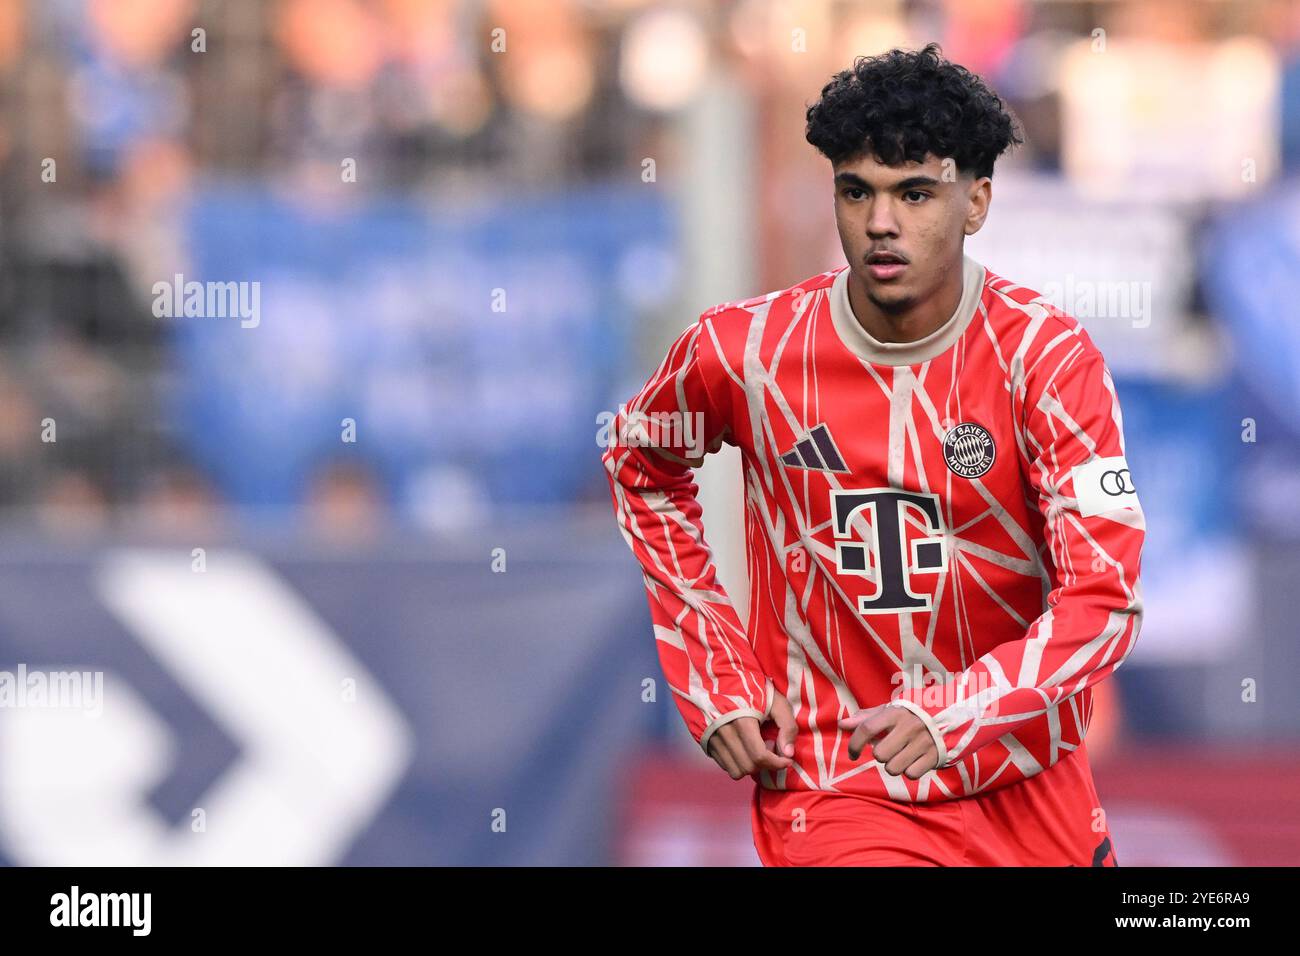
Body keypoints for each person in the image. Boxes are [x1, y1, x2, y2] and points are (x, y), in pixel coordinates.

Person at [601, 44, 1144, 866]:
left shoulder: (1047, 359)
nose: (881, 222)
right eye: (856, 192)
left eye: (914, 193)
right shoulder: (742, 353)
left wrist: (956, 711)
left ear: (977, 203)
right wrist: (715, 668)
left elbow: (1102, 599)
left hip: (1026, 788)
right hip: (839, 785)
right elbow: (641, 467)